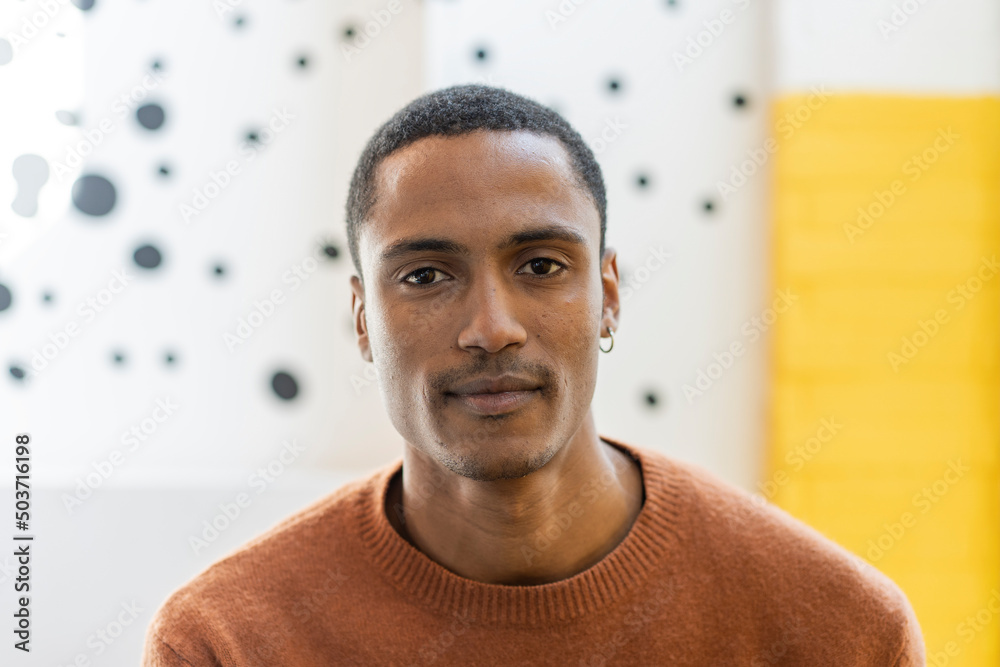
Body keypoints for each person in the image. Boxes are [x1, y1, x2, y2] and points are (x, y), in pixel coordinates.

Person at [142, 84, 925, 666]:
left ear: (608, 295)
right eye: (424, 276)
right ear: (361, 319)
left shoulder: (840, 630)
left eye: (542, 265)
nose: (491, 328)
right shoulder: (226, 640)